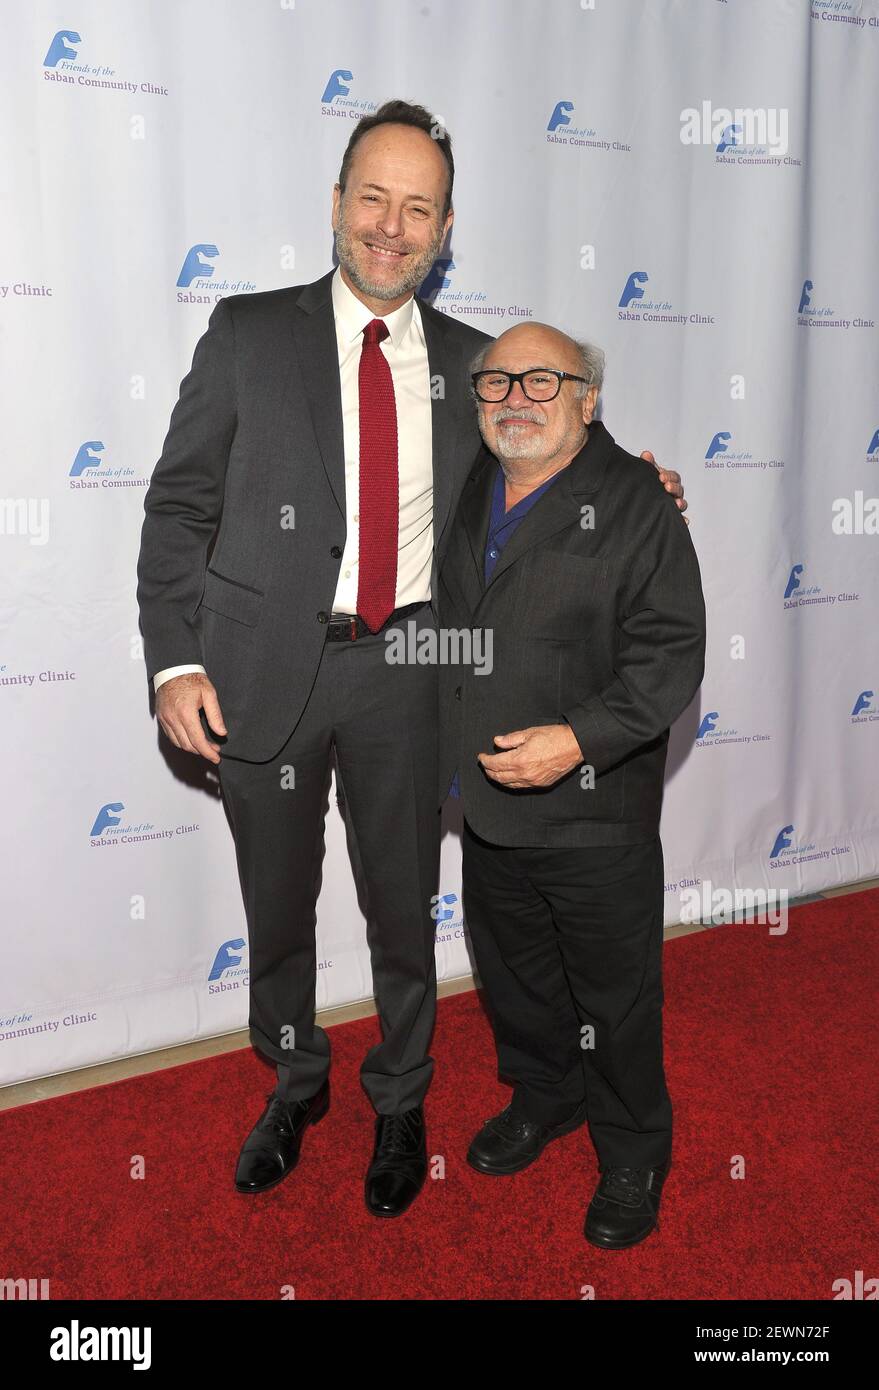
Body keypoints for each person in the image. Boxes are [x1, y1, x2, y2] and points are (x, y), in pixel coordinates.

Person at [136, 100, 688, 1220]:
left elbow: (558, 432)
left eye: (419, 208)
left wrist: (640, 481)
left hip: (409, 673)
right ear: (337, 206)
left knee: (404, 907)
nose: (393, 226)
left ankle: (402, 1098)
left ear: (445, 232)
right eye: (375, 199)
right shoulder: (245, 335)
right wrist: (172, 661)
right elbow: (178, 508)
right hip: (257, 683)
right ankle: (294, 1081)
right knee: (278, 910)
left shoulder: (475, 364)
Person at [438, 322, 706, 1248]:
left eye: (543, 381)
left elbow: (669, 657)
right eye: (498, 381)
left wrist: (576, 741)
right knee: (514, 979)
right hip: (488, 805)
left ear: (587, 400)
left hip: (596, 812)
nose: (517, 397)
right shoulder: (469, 481)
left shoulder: (634, 500)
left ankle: (633, 1150)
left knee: (615, 996)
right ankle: (544, 1097)